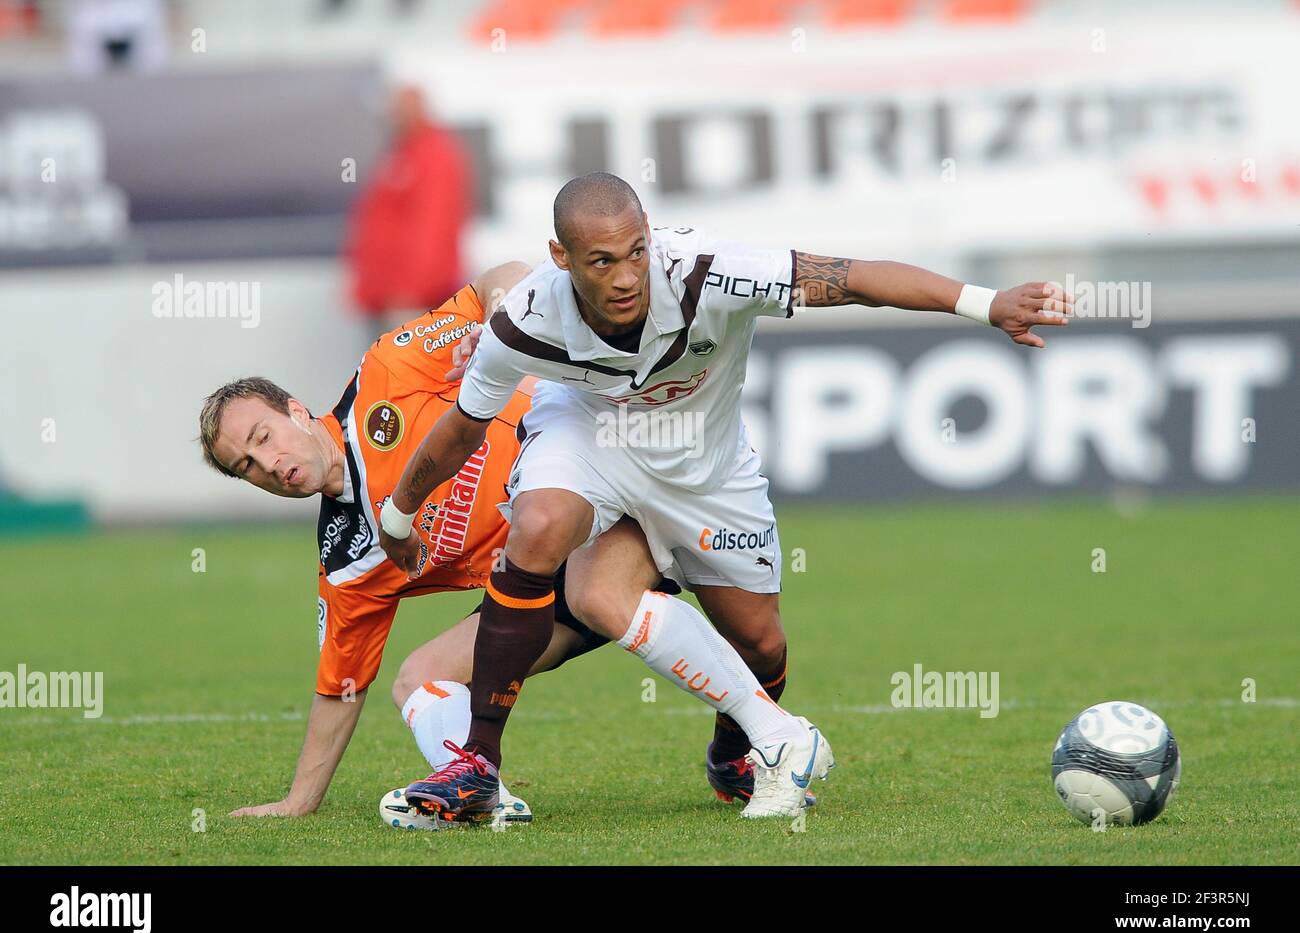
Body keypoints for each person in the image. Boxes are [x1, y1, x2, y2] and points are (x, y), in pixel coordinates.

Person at [379, 172, 1073, 822]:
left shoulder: (714, 269)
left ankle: (735, 750)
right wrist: (398, 513)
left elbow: (855, 278)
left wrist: (986, 304)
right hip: (592, 440)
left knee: (761, 644)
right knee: (544, 527)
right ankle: (477, 764)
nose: (624, 278)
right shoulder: (526, 318)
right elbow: (462, 428)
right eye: (600, 262)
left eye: (635, 253)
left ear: (650, 233)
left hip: (707, 472)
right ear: (560, 256)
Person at [198, 262, 816, 826]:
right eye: (247, 465)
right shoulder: (348, 561)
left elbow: (508, 277)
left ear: (295, 410)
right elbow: (340, 688)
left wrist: (495, 326)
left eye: (263, 436)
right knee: (419, 680)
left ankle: (753, 742)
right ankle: (479, 787)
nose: (268, 462)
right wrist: (298, 802)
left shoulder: (387, 373)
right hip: (544, 581)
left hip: (607, 467)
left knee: (758, 642)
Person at [346, 84, 471, 331]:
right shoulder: (403, 153)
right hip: (388, 294)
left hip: (412, 299)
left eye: (398, 108)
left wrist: (411, 289)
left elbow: (431, 227)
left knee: (406, 365)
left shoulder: (432, 155)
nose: (392, 115)